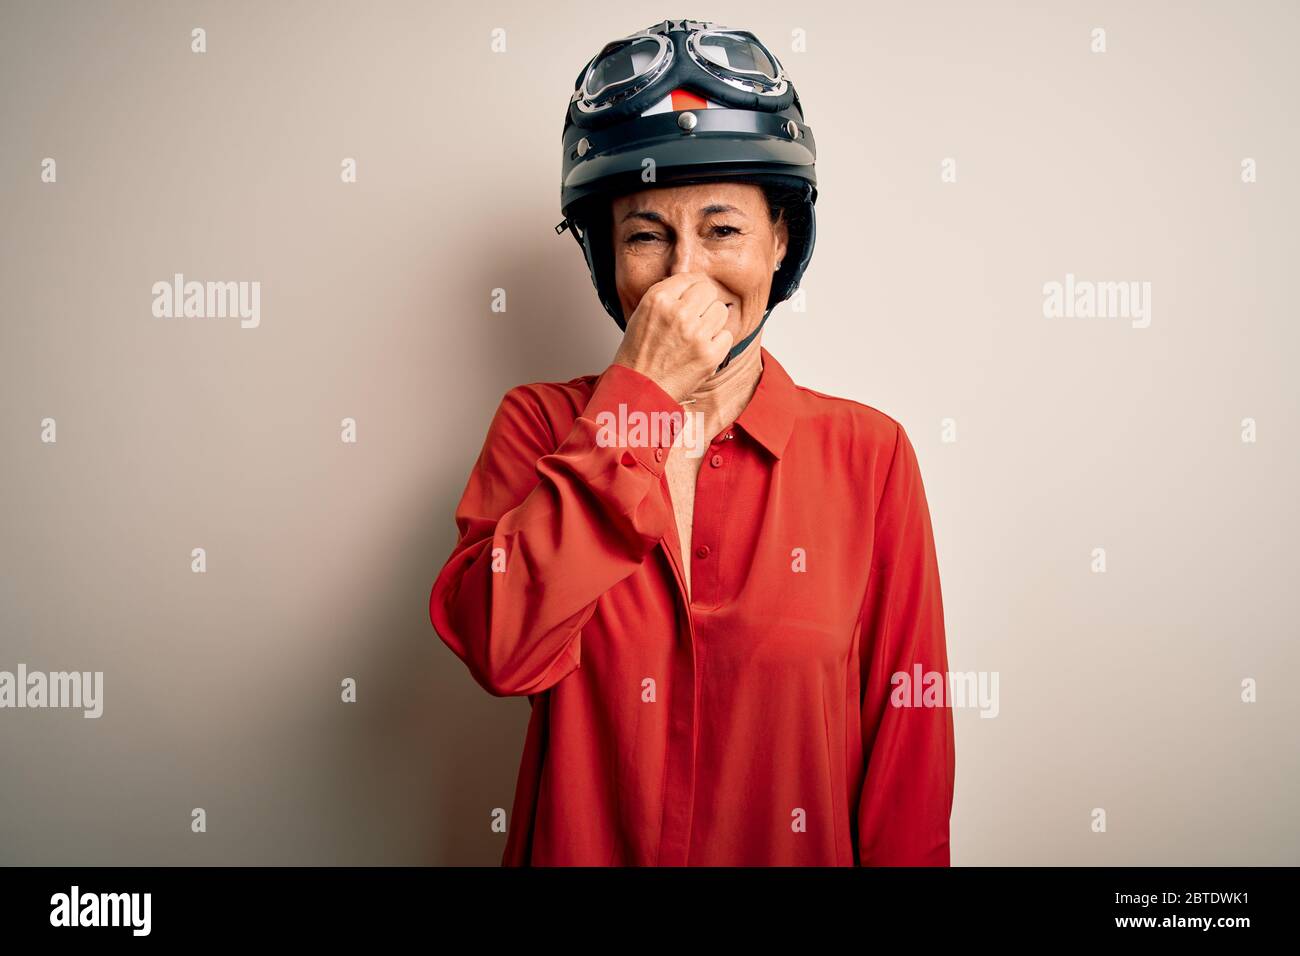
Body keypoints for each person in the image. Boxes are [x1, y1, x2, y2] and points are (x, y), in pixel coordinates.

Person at [429, 19, 955, 866]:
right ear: (605, 258)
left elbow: (909, 752)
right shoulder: (535, 428)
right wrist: (636, 402)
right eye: (646, 236)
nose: (683, 274)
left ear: (781, 243)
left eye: (722, 230)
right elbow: (501, 649)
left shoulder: (871, 456)